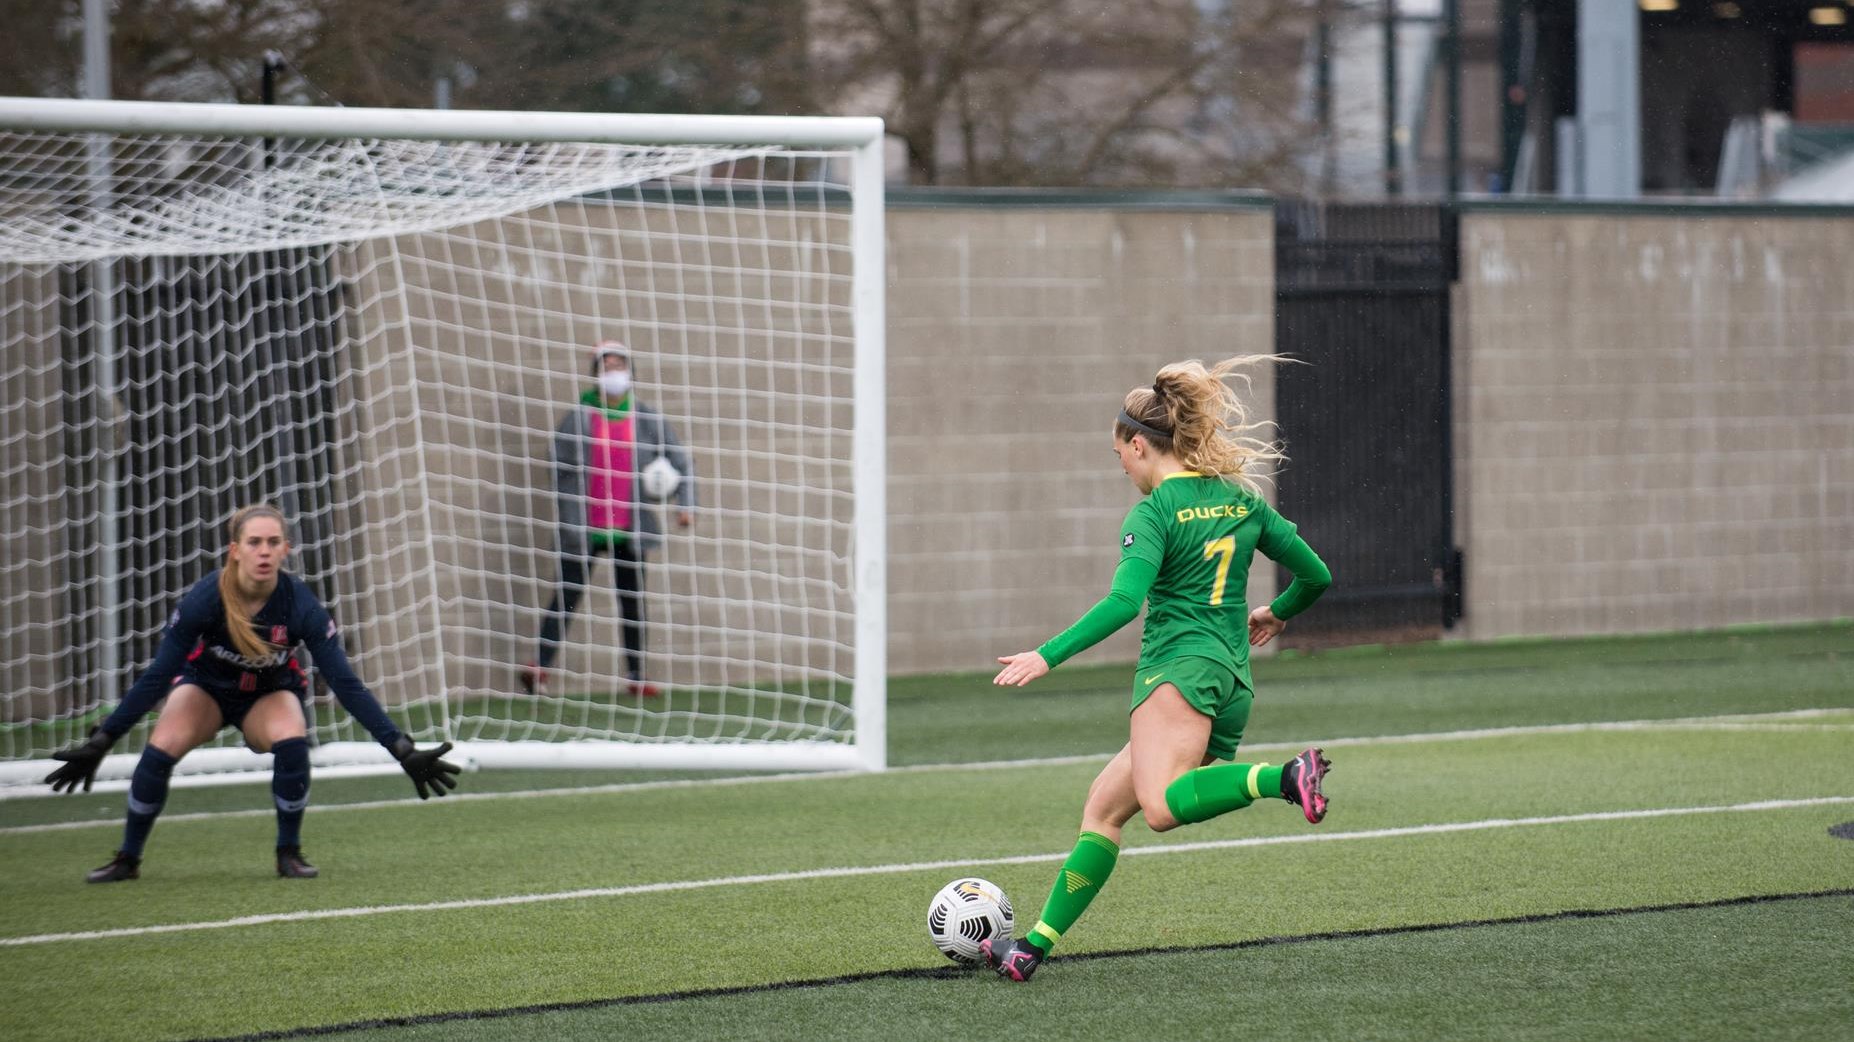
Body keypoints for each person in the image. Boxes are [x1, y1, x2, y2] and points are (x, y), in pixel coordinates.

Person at [981, 356, 1333, 982]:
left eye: (1118, 452)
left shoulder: (1153, 513)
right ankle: (1031, 947)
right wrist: (1277, 613)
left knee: (1163, 808)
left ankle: (1285, 776)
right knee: (1104, 811)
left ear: (1139, 444)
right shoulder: (1239, 499)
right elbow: (1317, 576)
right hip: (1231, 682)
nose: (1120, 465)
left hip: (1178, 675)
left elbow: (1124, 602)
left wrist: (1046, 655)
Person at [43, 504, 460, 882]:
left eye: (273, 542)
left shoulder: (299, 604)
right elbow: (158, 675)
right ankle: (128, 859)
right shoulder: (204, 600)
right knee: (162, 745)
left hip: (269, 694)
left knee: (292, 738)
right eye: (254, 542)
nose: (264, 551)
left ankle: (288, 853)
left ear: (286, 550)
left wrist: (401, 748)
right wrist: (104, 739)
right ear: (235, 550)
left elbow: (344, 682)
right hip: (205, 689)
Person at [522, 340, 696, 699]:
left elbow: (681, 463)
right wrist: (571, 505)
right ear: (596, 376)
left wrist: (685, 505)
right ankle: (539, 667)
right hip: (585, 527)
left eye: (619, 366)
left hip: (629, 528)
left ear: (631, 373)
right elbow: (557, 463)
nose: (613, 373)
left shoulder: (647, 419)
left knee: (632, 600)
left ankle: (636, 675)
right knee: (566, 596)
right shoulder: (579, 418)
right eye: (606, 367)